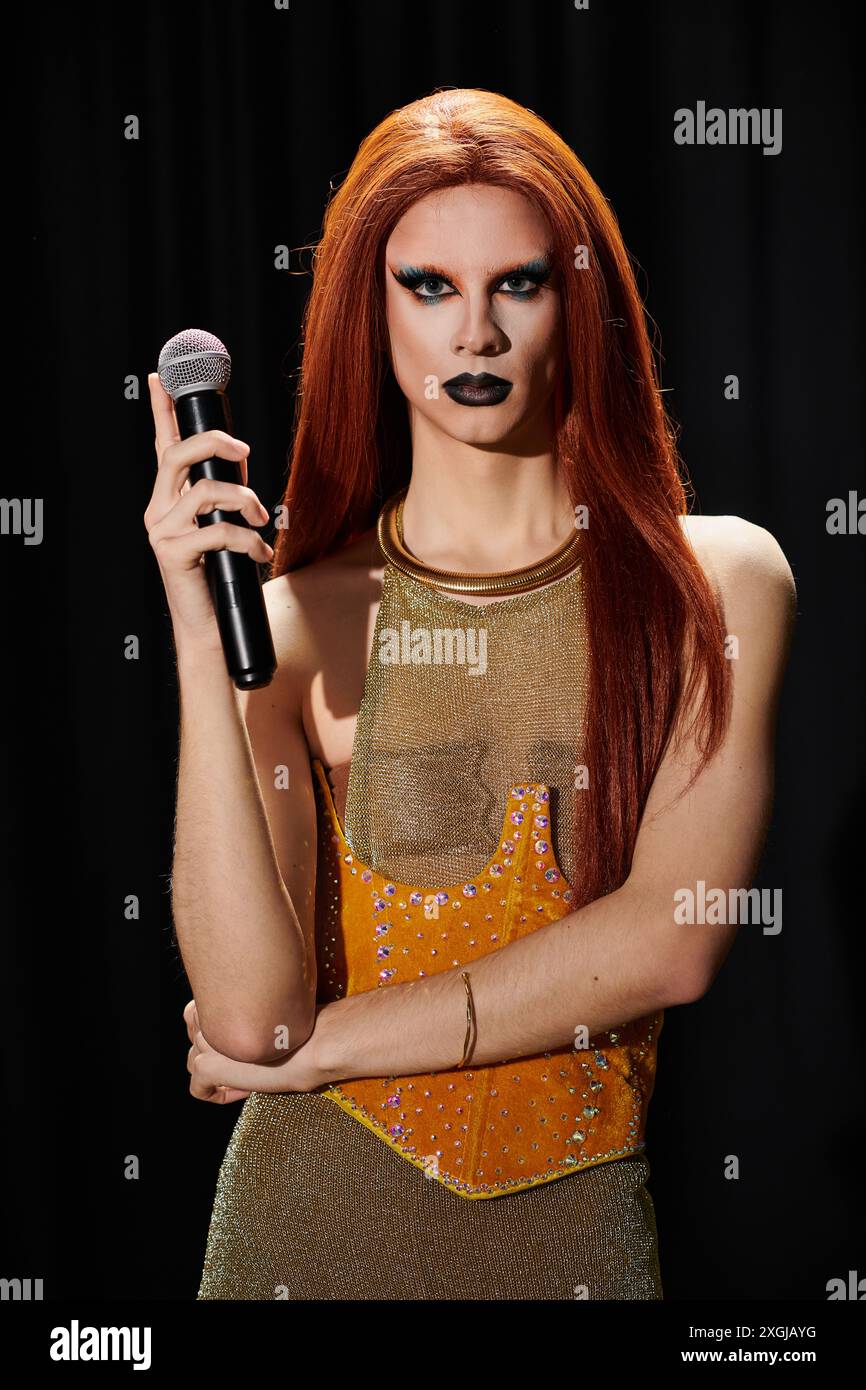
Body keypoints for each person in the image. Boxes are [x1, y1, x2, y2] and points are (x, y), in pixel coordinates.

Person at [144, 88, 796, 1300]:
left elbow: (671, 940)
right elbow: (249, 1024)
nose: (475, 333)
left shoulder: (722, 582)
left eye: (519, 284)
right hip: (299, 1237)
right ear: (367, 310)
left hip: (574, 1248)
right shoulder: (288, 627)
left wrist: (330, 1046)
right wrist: (198, 630)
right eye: (428, 286)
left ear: (576, 302)